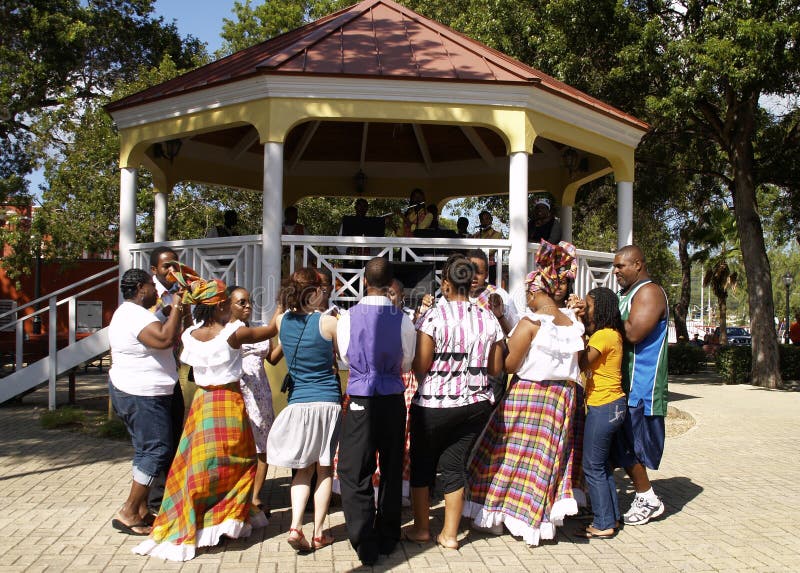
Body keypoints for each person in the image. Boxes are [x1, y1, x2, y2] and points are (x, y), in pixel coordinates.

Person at [133, 273, 277, 561]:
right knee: (238, 462)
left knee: (198, 465)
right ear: (220, 306)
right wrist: (284, 305)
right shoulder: (235, 334)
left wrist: (180, 306)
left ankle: (208, 519)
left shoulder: (189, 335)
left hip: (202, 402)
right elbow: (272, 329)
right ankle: (222, 518)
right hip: (228, 402)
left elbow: (188, 330)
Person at [465, 240, 584, 546]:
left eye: (528, 296)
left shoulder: (531, 323)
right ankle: (531, 518)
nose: (527, 302)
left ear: (534, 291)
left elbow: (508, 365)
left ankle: (499, 514)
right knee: (542, 462)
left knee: (504, 457)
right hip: (560, 402)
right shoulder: (574, 324)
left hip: (528, 398)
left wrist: (495, 341)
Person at [405, 253, 505, 550]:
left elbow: (421, 365)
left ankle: (422, 529)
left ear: (446, 283)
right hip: (475, 404)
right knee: (454, 466)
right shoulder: (488, 316)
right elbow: (497, 368)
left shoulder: (433, 316)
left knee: (423, 466)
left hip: (433, 406)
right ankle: (449, 535)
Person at [336, 258, 416, 566]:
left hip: (360, 396)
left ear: (364, 281)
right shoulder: (403, 319)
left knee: (354, 470)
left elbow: (344, 357)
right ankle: (388, 536)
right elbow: (407, 362)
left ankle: (364, 538)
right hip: (393, 395)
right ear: (391, 283)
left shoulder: (347, 317)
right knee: (392, 466)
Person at [266, 268, 341, 553]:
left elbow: (274, 352)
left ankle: (296, 525)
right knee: (324, 469)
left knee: (302, 470)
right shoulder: (328, 322)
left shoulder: (282, 320)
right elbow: (345, 357)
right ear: (315, 291)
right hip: (327, 401)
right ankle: (320, 532)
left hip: (298, 402)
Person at [109, 268, 186, 537]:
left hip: (144, 392)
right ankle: (129, 511)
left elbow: (156, 330)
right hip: (142, 394)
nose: (156, 291)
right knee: (156, 450)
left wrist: (167, 314)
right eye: (152, 287)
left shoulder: (132, 313)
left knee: (146, 450)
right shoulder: (133, 315)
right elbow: (164, 339)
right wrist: (176, 305)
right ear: (141, 288)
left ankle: (140, 509)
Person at [612, 244, 669, 526]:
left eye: (621, 266)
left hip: (641, 386)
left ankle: (648, 497)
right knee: (613, 445)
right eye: (614, 265)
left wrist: (604, 317)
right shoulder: (628, 294)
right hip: (620, 385)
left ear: (638, 264)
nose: (615, 271)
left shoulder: (649, 292)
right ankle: (601, 499)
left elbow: (633, 332)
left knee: (631, 447)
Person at [576, 287, 626, 539]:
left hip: (603, 405)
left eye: (589, 305)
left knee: (592, 465)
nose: (586, 310)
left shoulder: (603, 336)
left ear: (602, 308)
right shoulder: (612, 333)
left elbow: (582, 362)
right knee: (602, 465)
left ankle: (603, 522)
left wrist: (574, 326)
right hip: (613, 405)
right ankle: (611, 516)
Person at [228, 285, 281, 514]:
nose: (248, 305)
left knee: (262, 447)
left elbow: (272, 359)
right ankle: (237, 494)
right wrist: (281, 306)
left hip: (261, 394)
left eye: (249, 301)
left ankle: (256, 496)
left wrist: (288, 343)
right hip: (239, 393)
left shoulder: (257, 329)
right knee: (240, 448)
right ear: (228, 305)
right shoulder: (226, 332)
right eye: (242, 302)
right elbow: (271, 329)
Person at [467, 248, 518, 402]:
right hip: (462, 367)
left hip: (491, 368)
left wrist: (500, 315)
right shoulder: (454, 296)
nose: (474, 277)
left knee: (489, 415)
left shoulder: (498, 294)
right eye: (470, 271)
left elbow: (513, 333)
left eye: (479, 272)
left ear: (487, 275)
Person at [470, 212, 503, 284]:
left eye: (487, 219)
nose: (485, 221)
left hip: (490, 266)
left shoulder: (497, 234)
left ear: (491, 220)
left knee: (490, 287)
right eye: (482, 219)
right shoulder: (477, 234)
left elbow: (492, 250)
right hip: (475, 265)